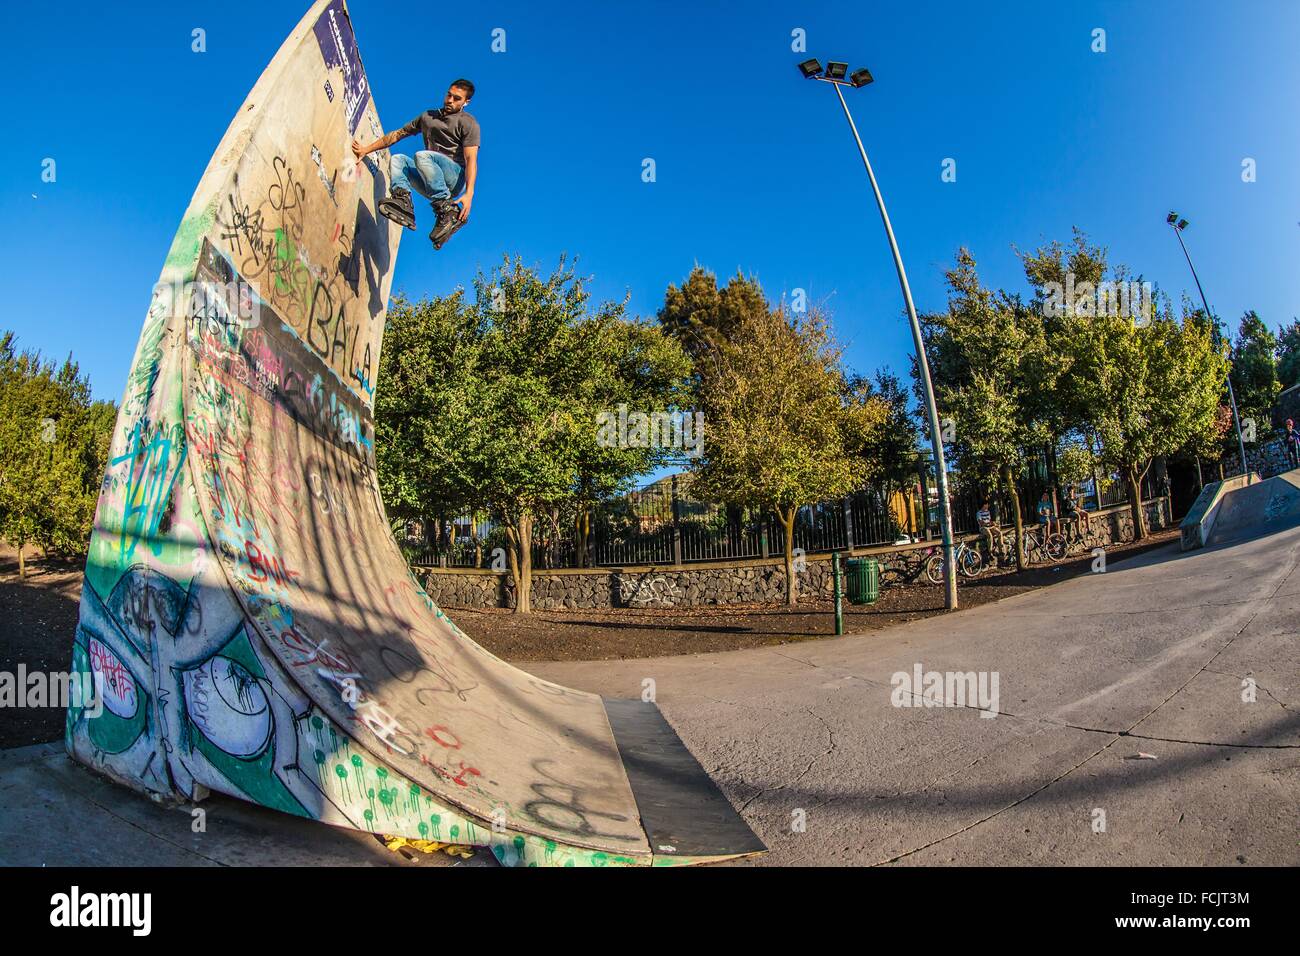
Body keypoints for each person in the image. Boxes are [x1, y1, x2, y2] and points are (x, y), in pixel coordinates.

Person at [352, 78, 481, 249]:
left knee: (422, 156)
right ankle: (403, 203)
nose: (450, 100)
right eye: (448, 95)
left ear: (466, 102)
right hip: (431, 177)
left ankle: (447, 209)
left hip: (454, 177)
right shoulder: (428, 117)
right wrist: (366, 149)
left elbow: (471, 159)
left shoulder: (468, 123)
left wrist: (469, 194)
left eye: (456, 98)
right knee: (398, 160)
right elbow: (398, 134)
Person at [976, 498, 1004, 565]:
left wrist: (993, 523)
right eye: (987, 504)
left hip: (990, 526)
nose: (988, 505)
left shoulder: (988, 512)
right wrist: (989, 523)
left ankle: (1001, 550)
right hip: (983, 528)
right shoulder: (978, 513)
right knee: (989, 535)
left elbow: (989, 520)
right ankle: (990, 552)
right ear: (984, 505)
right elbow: (981, 523)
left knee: (999, 533)